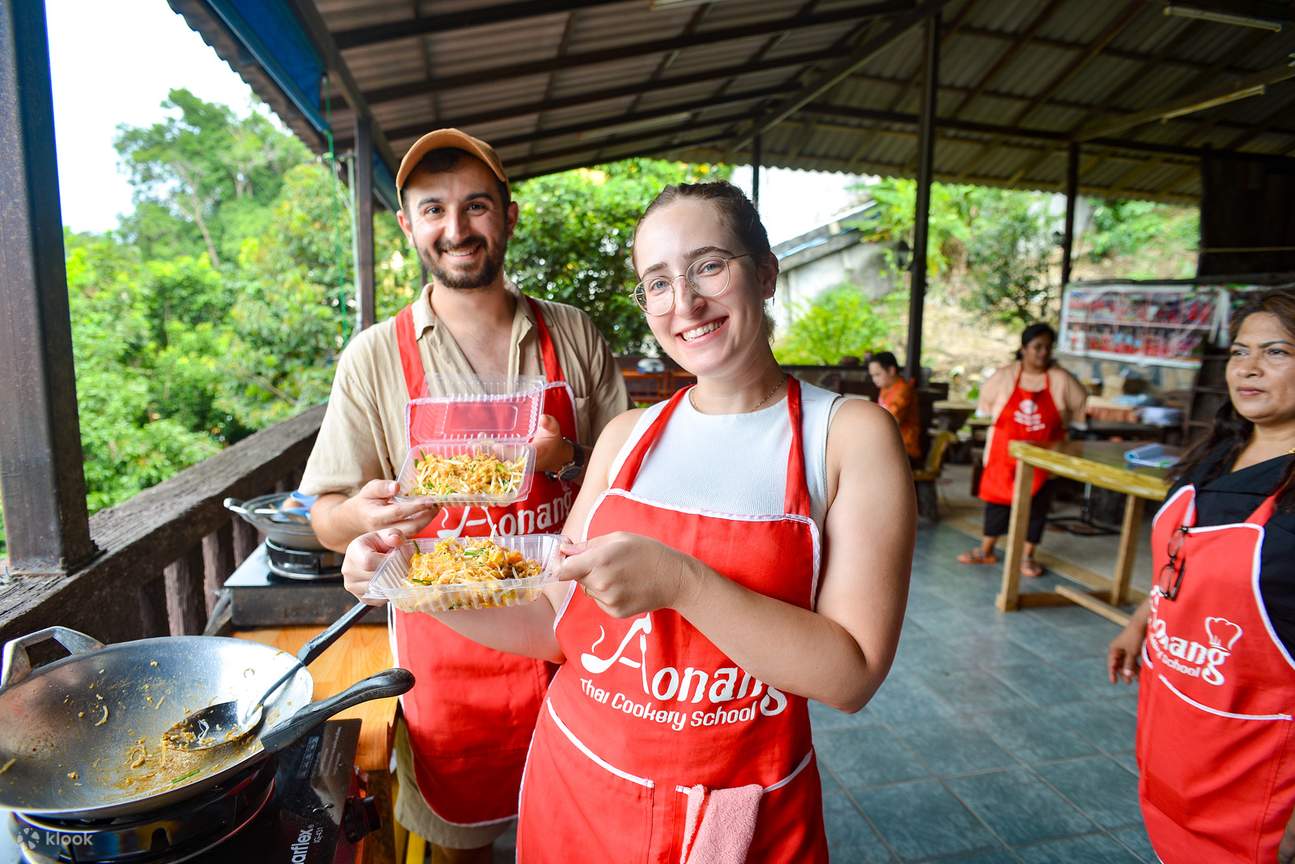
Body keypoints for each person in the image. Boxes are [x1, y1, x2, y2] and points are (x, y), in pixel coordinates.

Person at [342, 181, 915, 862]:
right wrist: (403, 580)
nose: (685, 303)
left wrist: (684, 585)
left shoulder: (848, 435)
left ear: (764, 272)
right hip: (579, 787)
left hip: (732, 811)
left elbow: (850, 676)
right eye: (657, 283)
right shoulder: (624, 437)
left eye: (708, 266)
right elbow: (551, 624)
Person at [298, 128, 629, 863]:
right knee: (458, 848)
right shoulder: (375, 357)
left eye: (476, 206)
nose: (456, 229)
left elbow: (635, 485)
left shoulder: (573, 335)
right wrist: (366, 518)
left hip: (578, 653)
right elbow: (324, 515)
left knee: (586, 834)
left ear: (508, 216)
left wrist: (566, 458)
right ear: (409, 226)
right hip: (449, 667)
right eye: (434, 210)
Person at [1106, 289, 1295, 864]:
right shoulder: (1212, 456)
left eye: (1277, 352)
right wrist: (1142, 621)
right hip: (1178, 741)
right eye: (1240, 352)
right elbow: (1179, 561)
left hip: (1257, 779)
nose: (1250, 368)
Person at [957, 323, 1087, 577]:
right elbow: (985, 406)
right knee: (997, 502)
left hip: (1043, 456)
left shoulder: (1060, 379)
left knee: (1037, 505)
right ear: (1023, 349)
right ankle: (986, 550)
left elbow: (1079, 404)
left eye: (1047, 347)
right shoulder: (1004, 376)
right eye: (1037, 347)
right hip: (1004, 454)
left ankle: (1027, 557)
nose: (1042, 352)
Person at [868, 350, 922, 464]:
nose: (874, 379)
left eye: (877, 374)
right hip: (888, 444)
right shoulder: (885, 388)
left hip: (904, 447)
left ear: (891, 370)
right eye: (872, 376)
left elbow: (891, 420)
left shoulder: (903, 390)